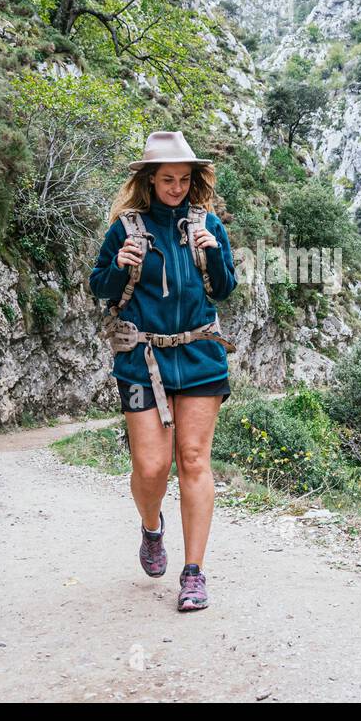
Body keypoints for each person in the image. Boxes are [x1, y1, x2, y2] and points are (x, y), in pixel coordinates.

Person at [88, 130, 239, 612]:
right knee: (151, 465)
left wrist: (212, 249)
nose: (176, 187)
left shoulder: (207, 224)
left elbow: (225, 289)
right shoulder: (125, 228)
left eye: (184, 179)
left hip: (199, 354)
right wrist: (117, 264)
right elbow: (103, 289)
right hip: (141, 358)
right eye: (167, 179)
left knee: (193, 459)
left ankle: (193, 574)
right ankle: (152, 529)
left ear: (195, 180)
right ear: (149, 181)